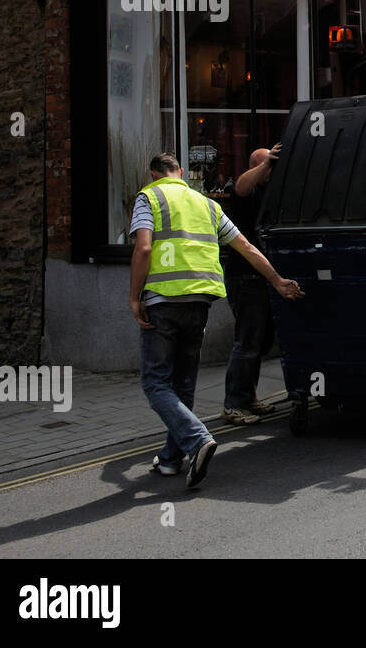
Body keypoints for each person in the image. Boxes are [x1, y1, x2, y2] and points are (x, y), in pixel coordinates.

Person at [129, 152, 304, 488]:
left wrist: (134, 297)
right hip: (201, 300)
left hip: (163, 301)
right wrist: (278, 281)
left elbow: (144, 249)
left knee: (155, 382)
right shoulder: (206, 203)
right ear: (180, 172)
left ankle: (197, 440)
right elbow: (247, 247)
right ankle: (169, 459)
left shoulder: (148, 197)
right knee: (182, 383)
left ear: (153, 175)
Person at [222, 143, 283, 425]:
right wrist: (265, 164)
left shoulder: (270, 191)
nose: (269, 172)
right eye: (265, 166)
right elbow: (242, 187)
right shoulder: (244, 189)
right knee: (248, 340)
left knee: (261, 340)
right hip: (244, 276)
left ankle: (248, 397)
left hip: (264, 276)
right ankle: (234, 404)